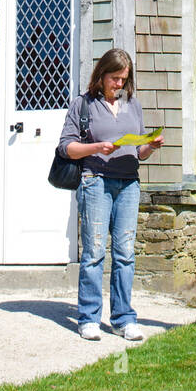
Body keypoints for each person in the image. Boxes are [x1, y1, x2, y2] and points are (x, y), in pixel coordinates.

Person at [56, 47, 163, 340]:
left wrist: (150, 146)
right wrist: (95, 148)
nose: (119, 84)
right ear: (101, 75)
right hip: (96, 182)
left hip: (129, 183)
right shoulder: (84, 104)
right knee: (94, 252)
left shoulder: (133, 105)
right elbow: (66, 147)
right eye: (114, 78)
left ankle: (123, 318)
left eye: (124, 79)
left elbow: (138, 151)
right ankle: (88, 318)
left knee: (125, 253)